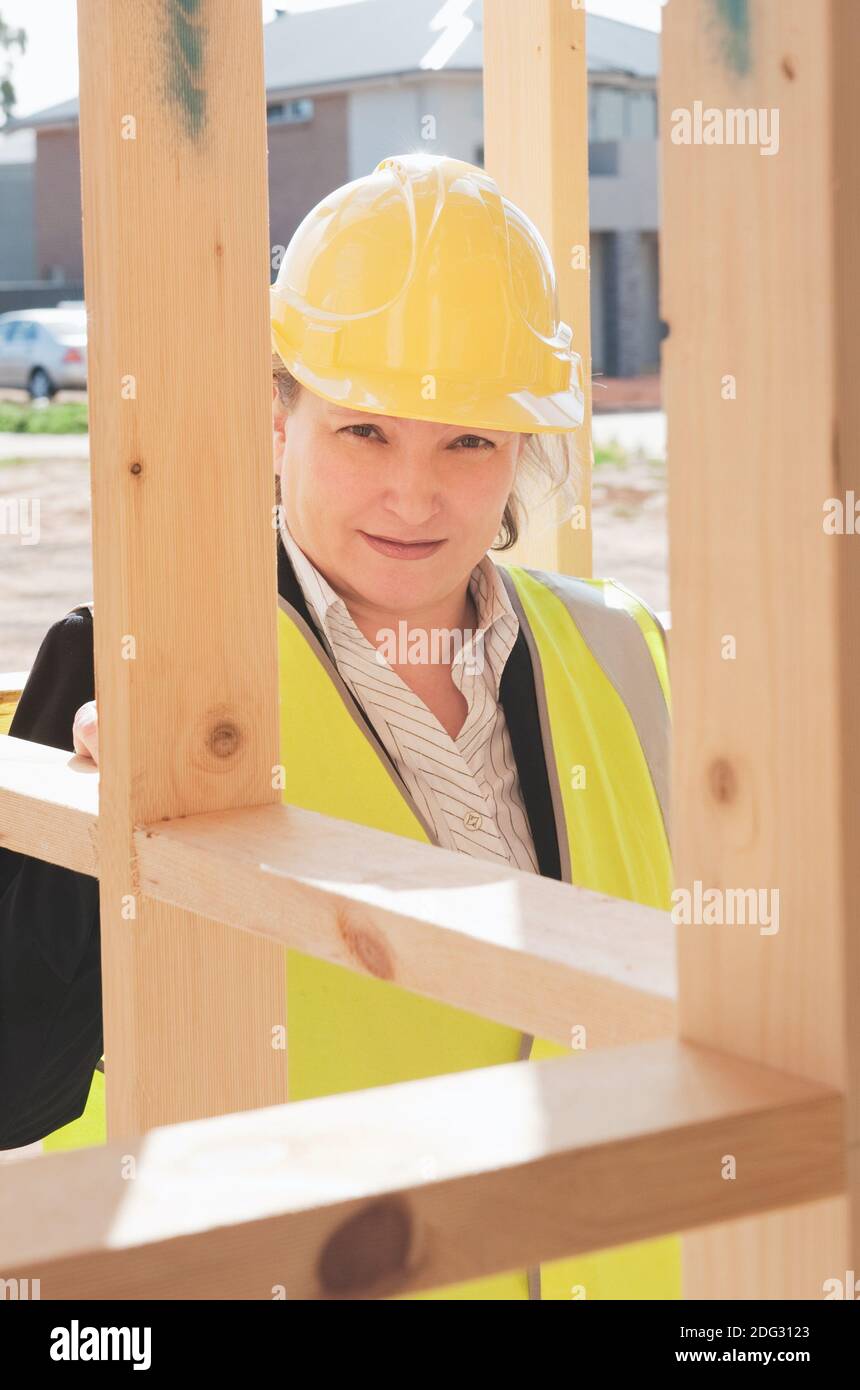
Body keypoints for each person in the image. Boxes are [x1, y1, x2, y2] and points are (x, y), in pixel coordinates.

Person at [0, 153, 675, 1299]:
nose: (415, 495)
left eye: (467, 439)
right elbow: (14, 1082)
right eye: (364, 431)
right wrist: (90, 844)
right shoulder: (134, 665)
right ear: (278, 420)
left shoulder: (625, 650)